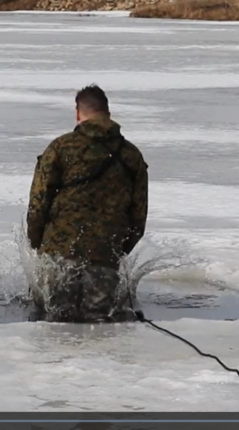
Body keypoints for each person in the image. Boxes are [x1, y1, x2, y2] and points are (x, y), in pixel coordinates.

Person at [26, 85, 149, 322]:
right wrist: (116, 251)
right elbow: (138, 218)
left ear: (78, 113)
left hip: (60, 257)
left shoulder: (61, 148)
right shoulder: (131, 155)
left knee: (56, 323)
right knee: (98, 326)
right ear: (108, 114)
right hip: (104, 260)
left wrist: (36, 244)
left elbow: (38, 204)